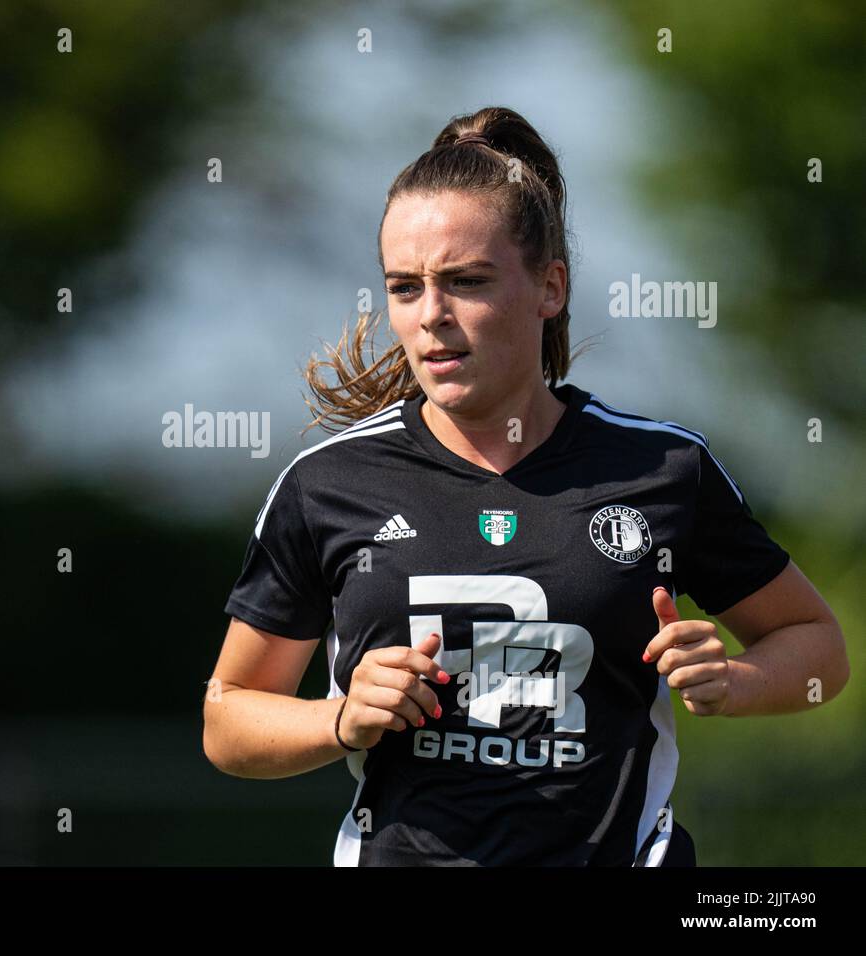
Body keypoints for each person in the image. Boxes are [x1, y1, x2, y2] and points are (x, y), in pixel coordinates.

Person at [201, 106, 849, 866]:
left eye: (467, 281)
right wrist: (341, 717)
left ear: (550, 287)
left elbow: (818, 649)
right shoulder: (327, 485)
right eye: (404, 288)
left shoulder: (662, 471)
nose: (431, 315)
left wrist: (732, 681)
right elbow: (228, 720)